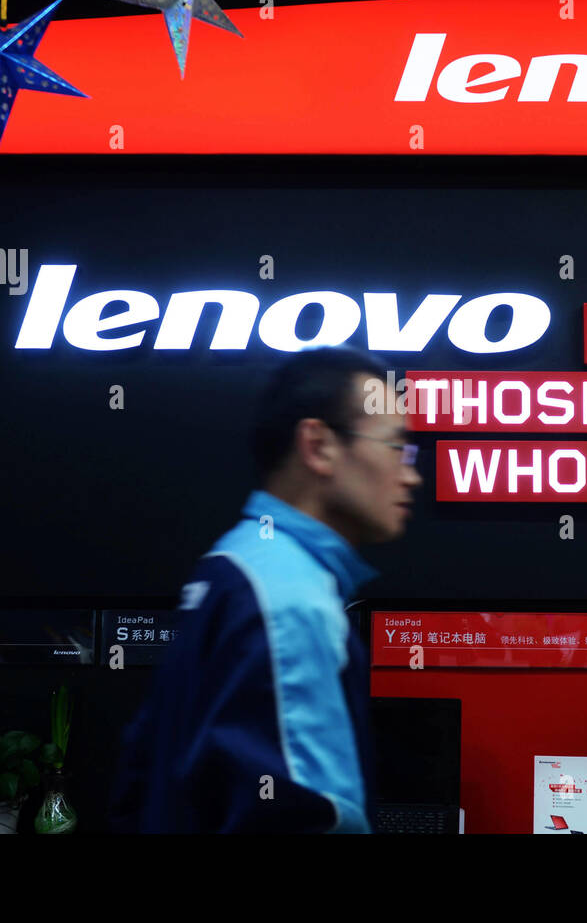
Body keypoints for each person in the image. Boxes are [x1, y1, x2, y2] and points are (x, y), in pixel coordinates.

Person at [109, 346, 421, 832]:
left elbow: (140, 774)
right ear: (318, 446)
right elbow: (301, 817)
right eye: (395, 447)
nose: (410, 474)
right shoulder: (291, 600)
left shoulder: (231, 563)